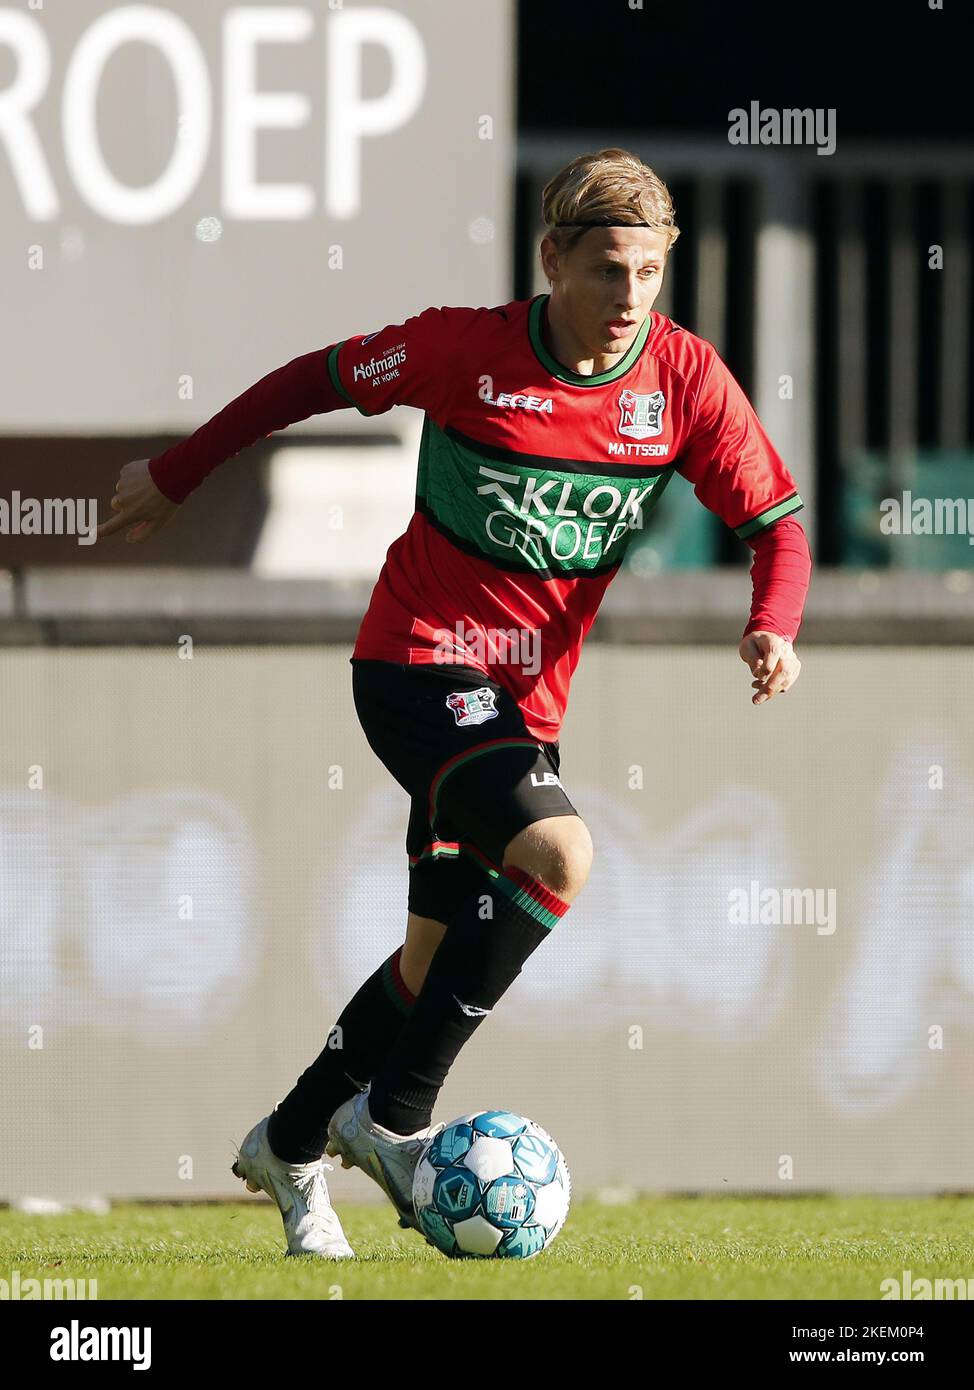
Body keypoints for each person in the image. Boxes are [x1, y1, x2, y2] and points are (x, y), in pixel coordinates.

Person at [98, 147, 811, 1258]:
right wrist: (180, 473)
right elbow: (314, 379)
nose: (629, 298)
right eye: (607, 269)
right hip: (416, 664)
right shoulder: (463, 351)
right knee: (560, 854)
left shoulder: (680, 381)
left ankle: (287, 1142)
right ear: (550, 260)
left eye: (649, 272)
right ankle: (391, 1118)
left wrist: (775, 620)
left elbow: (775, 521)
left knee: (431, 957)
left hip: (523, 706)